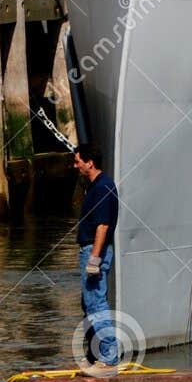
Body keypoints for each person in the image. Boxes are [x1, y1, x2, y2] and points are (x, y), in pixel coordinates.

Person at [73, 145, 120, 368]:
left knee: (96, 303)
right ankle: (94, 355)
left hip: (95, 249)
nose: (75, 165)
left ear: (89, 162)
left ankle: (109, 357)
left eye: (78, 161)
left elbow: (102, 226)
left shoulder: (102, 187)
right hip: (92, 249)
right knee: (88, 303)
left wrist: (94, 258)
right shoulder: (95, 186)